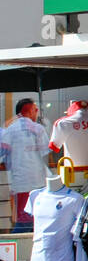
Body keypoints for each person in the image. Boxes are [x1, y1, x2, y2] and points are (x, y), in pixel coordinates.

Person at [0, 99, 52, 232]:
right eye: (35, 110)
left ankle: (19, 246)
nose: (37, 113)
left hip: (20, 183)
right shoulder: (39, 129)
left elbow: (2, 154)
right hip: (39, 183)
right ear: (28, 111)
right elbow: (46, 155)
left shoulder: (9, 131)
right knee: (35, 220)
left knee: (24, 219)